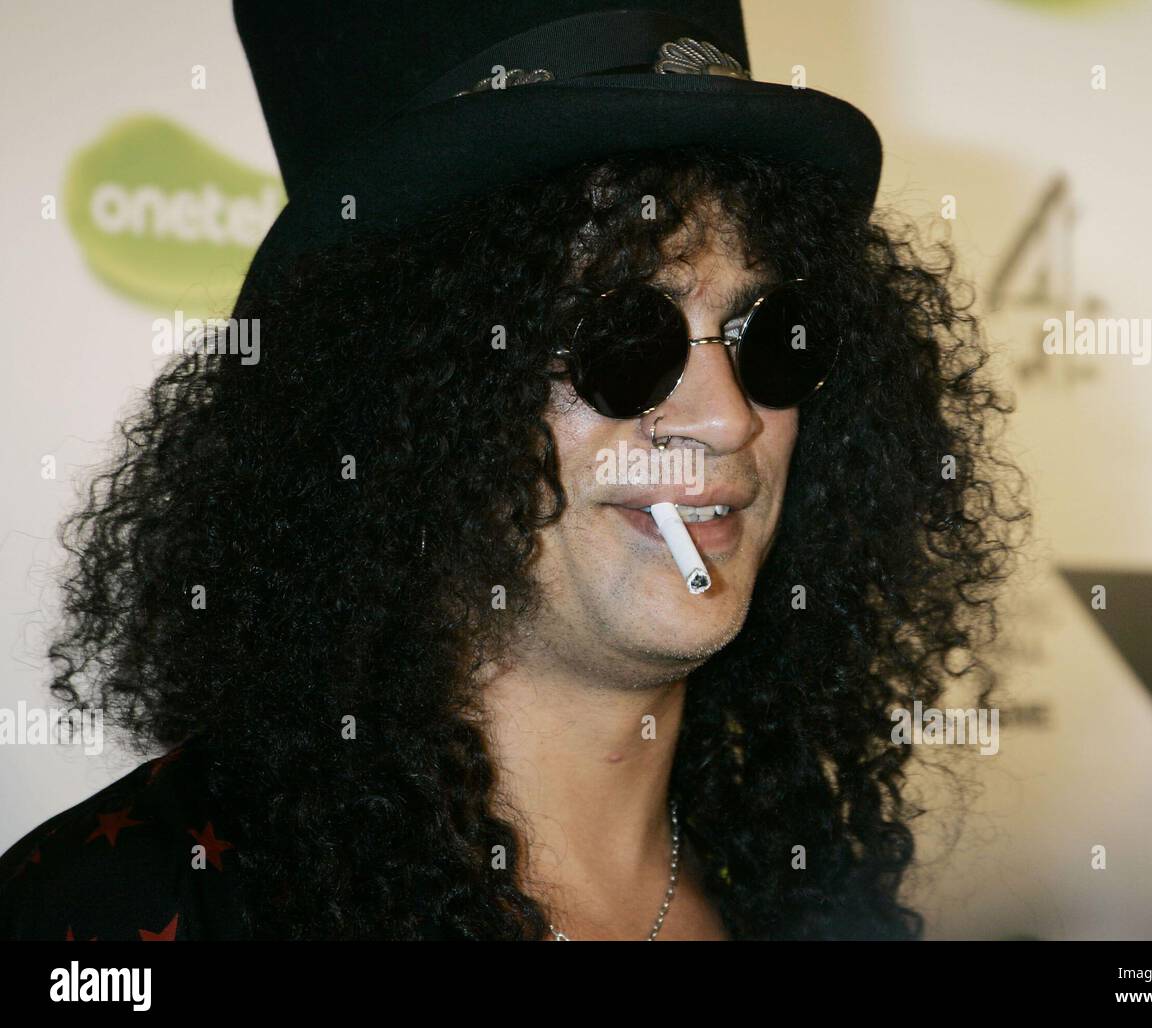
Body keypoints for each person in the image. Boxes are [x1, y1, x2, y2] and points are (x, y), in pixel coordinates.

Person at [0, 0, 1027, 940]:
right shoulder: (117, 914)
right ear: (407, 397)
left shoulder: (803, 893)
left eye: (772, 339)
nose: (726, 420)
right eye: (625, 341)